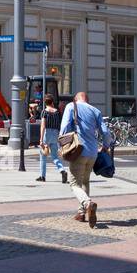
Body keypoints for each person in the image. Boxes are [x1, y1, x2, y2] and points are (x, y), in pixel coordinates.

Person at [59, 92, 112, 228]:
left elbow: (64, 126)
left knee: (74, 183)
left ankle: (87, 203)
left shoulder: (71, 106)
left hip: (78, 150)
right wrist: (105, 146)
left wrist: (62, 143)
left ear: (76, 99)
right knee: (85, 181)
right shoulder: (96, 111)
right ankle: (82, 213)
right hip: (93, 152)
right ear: (87, 100)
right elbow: (105, 132)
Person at [35, 95, 67, 184]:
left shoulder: (44, 112)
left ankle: (42, 176)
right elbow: (60, 125)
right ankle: (62, 170)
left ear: (45, 103)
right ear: (52, 102)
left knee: (43, 156)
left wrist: (41, 139)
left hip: (47, 134)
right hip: (55, 134)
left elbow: (43, 126)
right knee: (55, 156)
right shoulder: (57, 112)